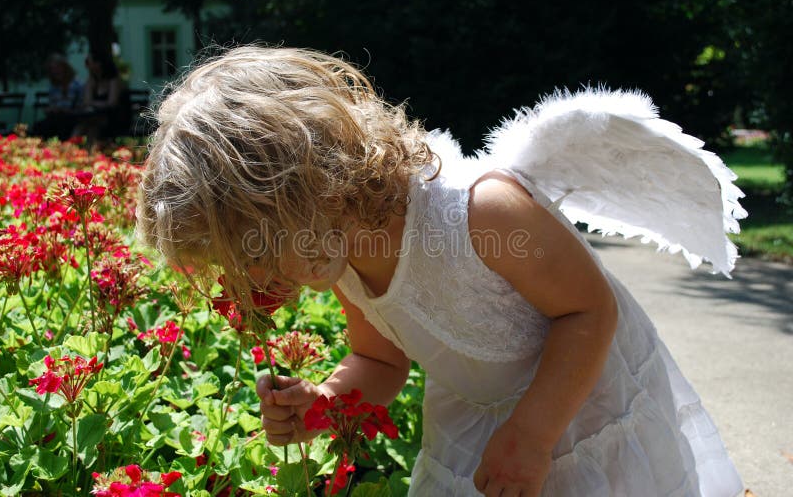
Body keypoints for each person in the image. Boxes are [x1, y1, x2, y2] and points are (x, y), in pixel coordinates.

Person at [136, 46, 745, 497]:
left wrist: (533, 435)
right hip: (479, 419)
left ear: (309, 192)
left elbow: (589, 310)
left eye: (253, 251)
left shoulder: (478, 213)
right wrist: (323, 403)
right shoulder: (342, 256)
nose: (247, 278)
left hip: (582, 404)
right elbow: (380, 361)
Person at [72, 49, 131, 147]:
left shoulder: (114, 80)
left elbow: (112, 103)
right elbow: (87, 100)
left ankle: (83, 152)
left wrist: (92, 103)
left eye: (88, 62)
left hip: (116, 118)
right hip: (97, 117)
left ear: (99, 63)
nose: (86, 66)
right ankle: (76, 151)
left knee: (92, 126)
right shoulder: (93, 80)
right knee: (84, 126)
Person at [32, 54, 84, 140]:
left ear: (65, 68)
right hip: (56, 118)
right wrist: (51, 109)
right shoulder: (53, 87)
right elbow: (52, 104)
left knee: (62, 126)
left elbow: (81, 107)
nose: (55, 71)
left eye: (58, 68)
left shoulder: (77, 85)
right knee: (39, 127)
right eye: (52, 69)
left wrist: (65, 110)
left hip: (72, 118)